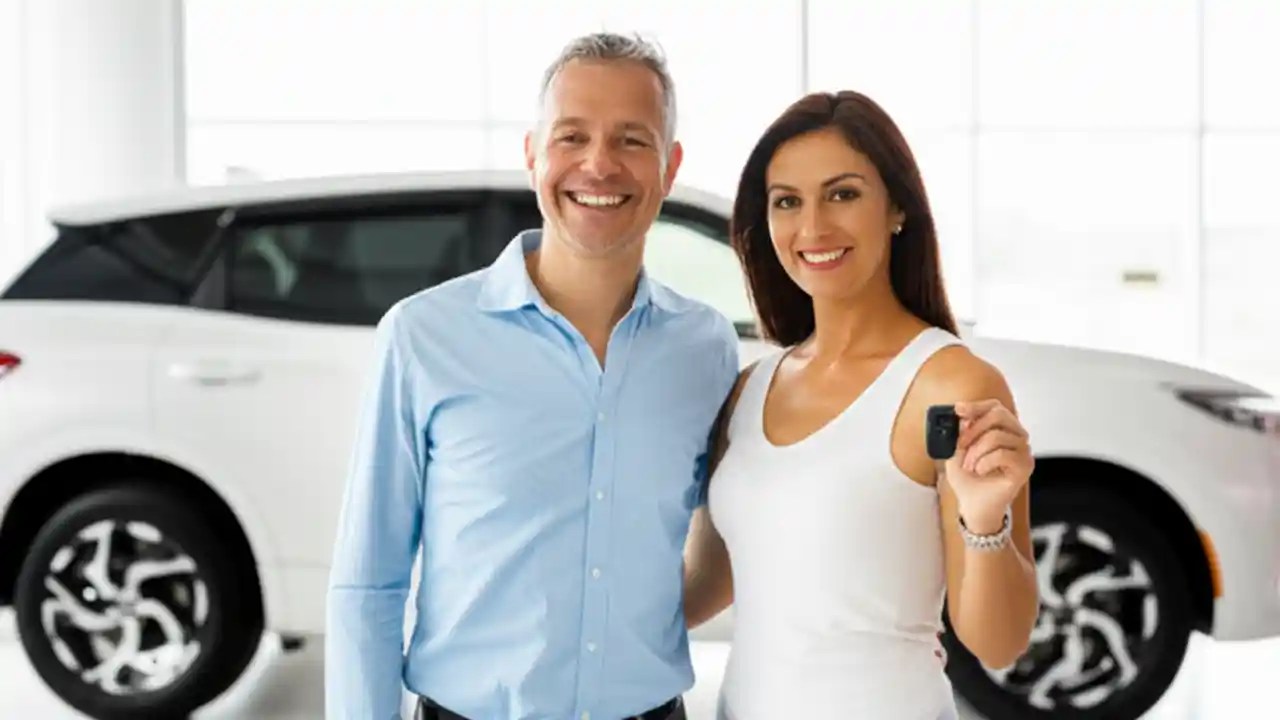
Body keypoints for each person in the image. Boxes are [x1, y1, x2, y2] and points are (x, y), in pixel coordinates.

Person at [324, 32, 737, 720]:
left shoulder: (705, 346)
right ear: (532, 155)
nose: (598, 164)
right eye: (572, 136)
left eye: (632, 140)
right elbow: (369, 582)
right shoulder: (424, 336)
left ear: (669, 167)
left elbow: (730, 536)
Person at [681, 91, 1040, 719]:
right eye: (787, 201)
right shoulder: (750, 388)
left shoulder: (950, 382)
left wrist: (984, 520)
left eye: (842, 194)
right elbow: (709, 585)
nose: (813, 227)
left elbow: (998, 643)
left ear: (897, 207)